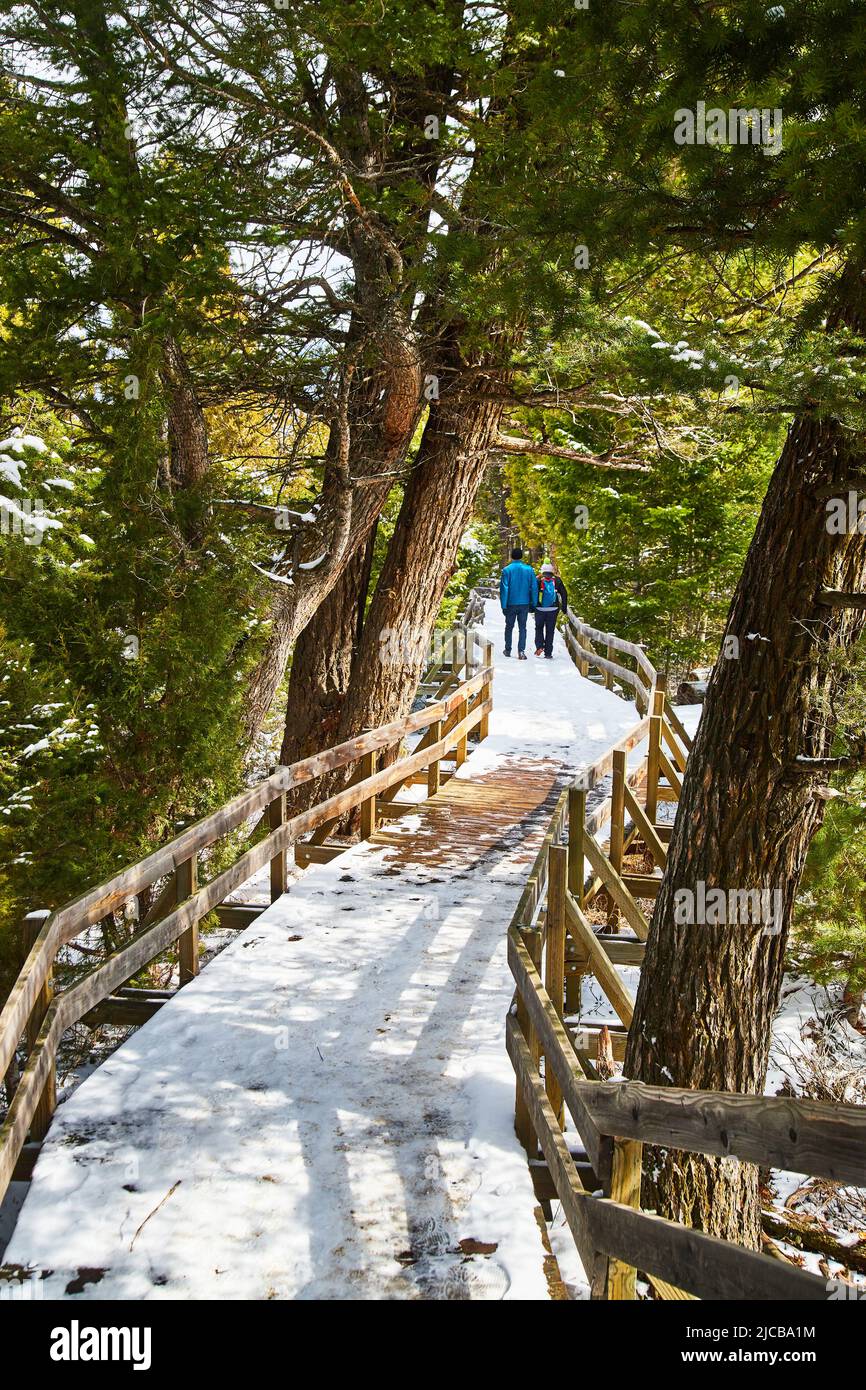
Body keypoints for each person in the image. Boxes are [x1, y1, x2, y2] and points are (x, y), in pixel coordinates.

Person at [499, 547, 537, 659]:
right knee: (522, 628)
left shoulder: (507, 570)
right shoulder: (529, 570)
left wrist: (503, 605)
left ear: (511, 556)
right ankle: (521, 651)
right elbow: (534, 587)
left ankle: (507, 649)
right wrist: (534, 603)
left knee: (509, 627)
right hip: (524, 603)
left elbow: (504, 588)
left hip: (511, 603)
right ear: (521, 556)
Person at [534, 560, 568, 659]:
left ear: (542, 570)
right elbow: (564, 594)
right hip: (553, 609)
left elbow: (532, 593)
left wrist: (532, 605)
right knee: (550, 630)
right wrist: (564, 608)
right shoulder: (557, 580)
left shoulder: (538, 579)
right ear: (552, 570)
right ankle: (548, 653)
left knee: (539, 628)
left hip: (540, 608)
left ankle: (540, 646)